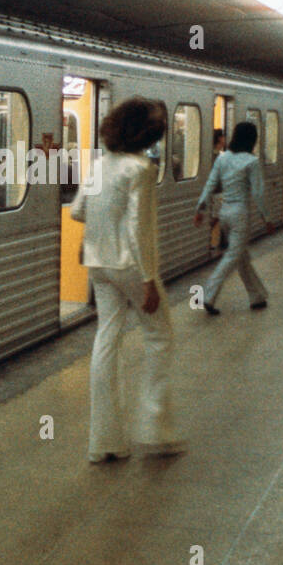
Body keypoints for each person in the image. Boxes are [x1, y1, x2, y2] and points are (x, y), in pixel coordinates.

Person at [69, 97, 182, 463]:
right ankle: (155, 429)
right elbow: (138, 229)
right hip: (129, 266)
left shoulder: (100, 164)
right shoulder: (141, 169)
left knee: (107, 339)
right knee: (160, 336)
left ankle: (104, 441)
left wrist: (91, 243)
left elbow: (79, 210)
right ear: (146, 132)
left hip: (98, 265)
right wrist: (149, 279)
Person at [193, 121, 268, 315]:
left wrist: (200, 208)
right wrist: (266, 217)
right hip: (240, 214)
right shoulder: (251, 162)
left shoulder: (223, 158)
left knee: (241, 257)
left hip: (224, 212)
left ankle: (257, 296)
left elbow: (210, 184)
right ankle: (208, 295)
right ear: (252, 139)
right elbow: (258, 193)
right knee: (233, 255)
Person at [209, 128, 228, 252]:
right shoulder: (217, 157)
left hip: (217, 191)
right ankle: (218, 240)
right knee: (217, 217)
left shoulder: (213, 155)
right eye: (223, 137)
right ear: (219, 139)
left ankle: (222, 240)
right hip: (218, 192)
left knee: (219, 216)